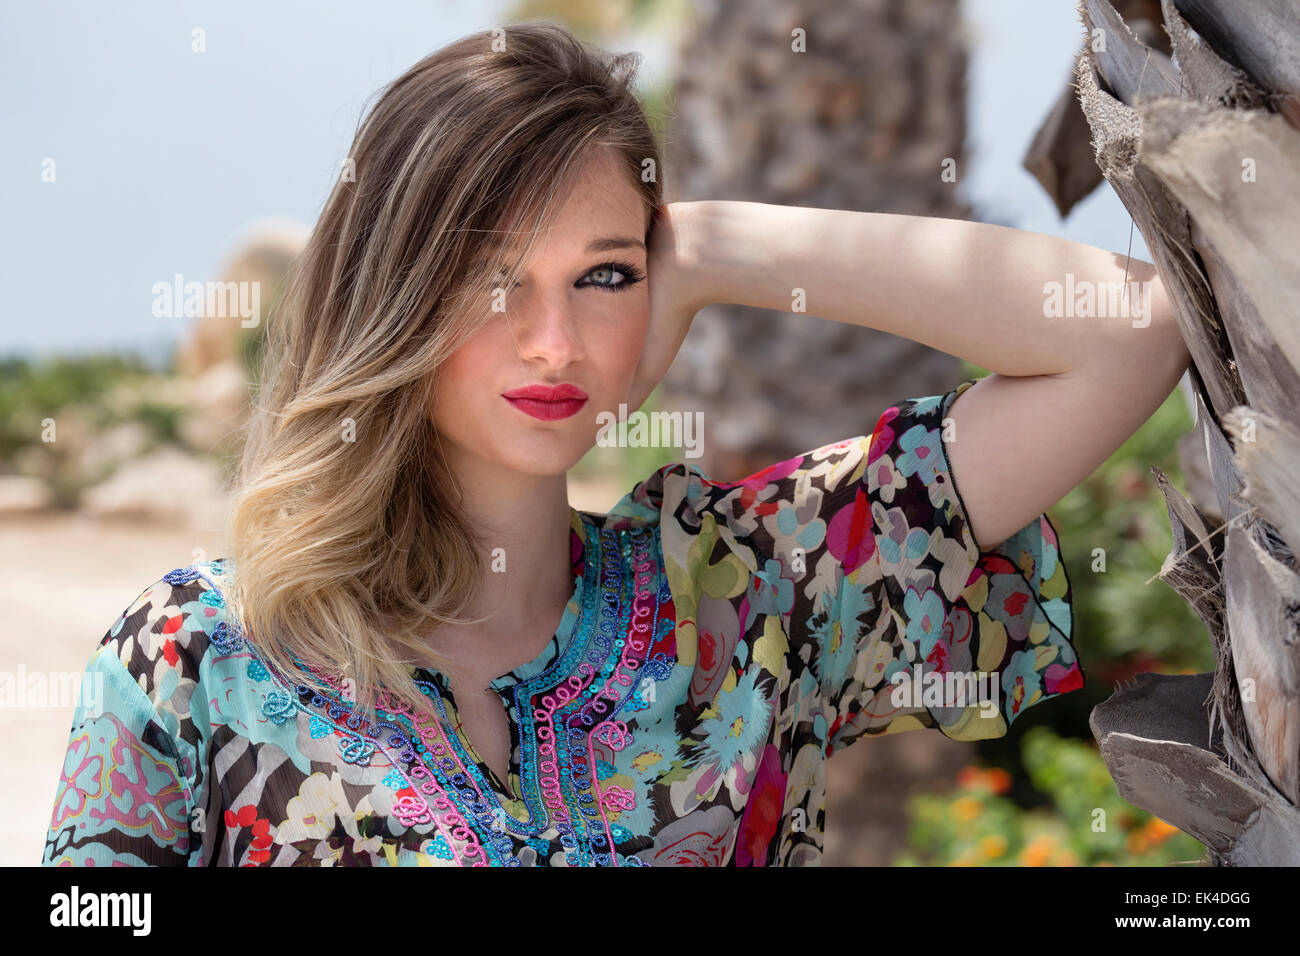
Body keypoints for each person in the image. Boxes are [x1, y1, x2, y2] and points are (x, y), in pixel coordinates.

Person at [41, 21, 1187, 867]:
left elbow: (1131, 331)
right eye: (490, 279)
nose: (554, 342)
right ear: (390, 293)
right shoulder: (196, 659)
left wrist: (716, 243)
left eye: (602, 276)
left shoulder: (754, 599)